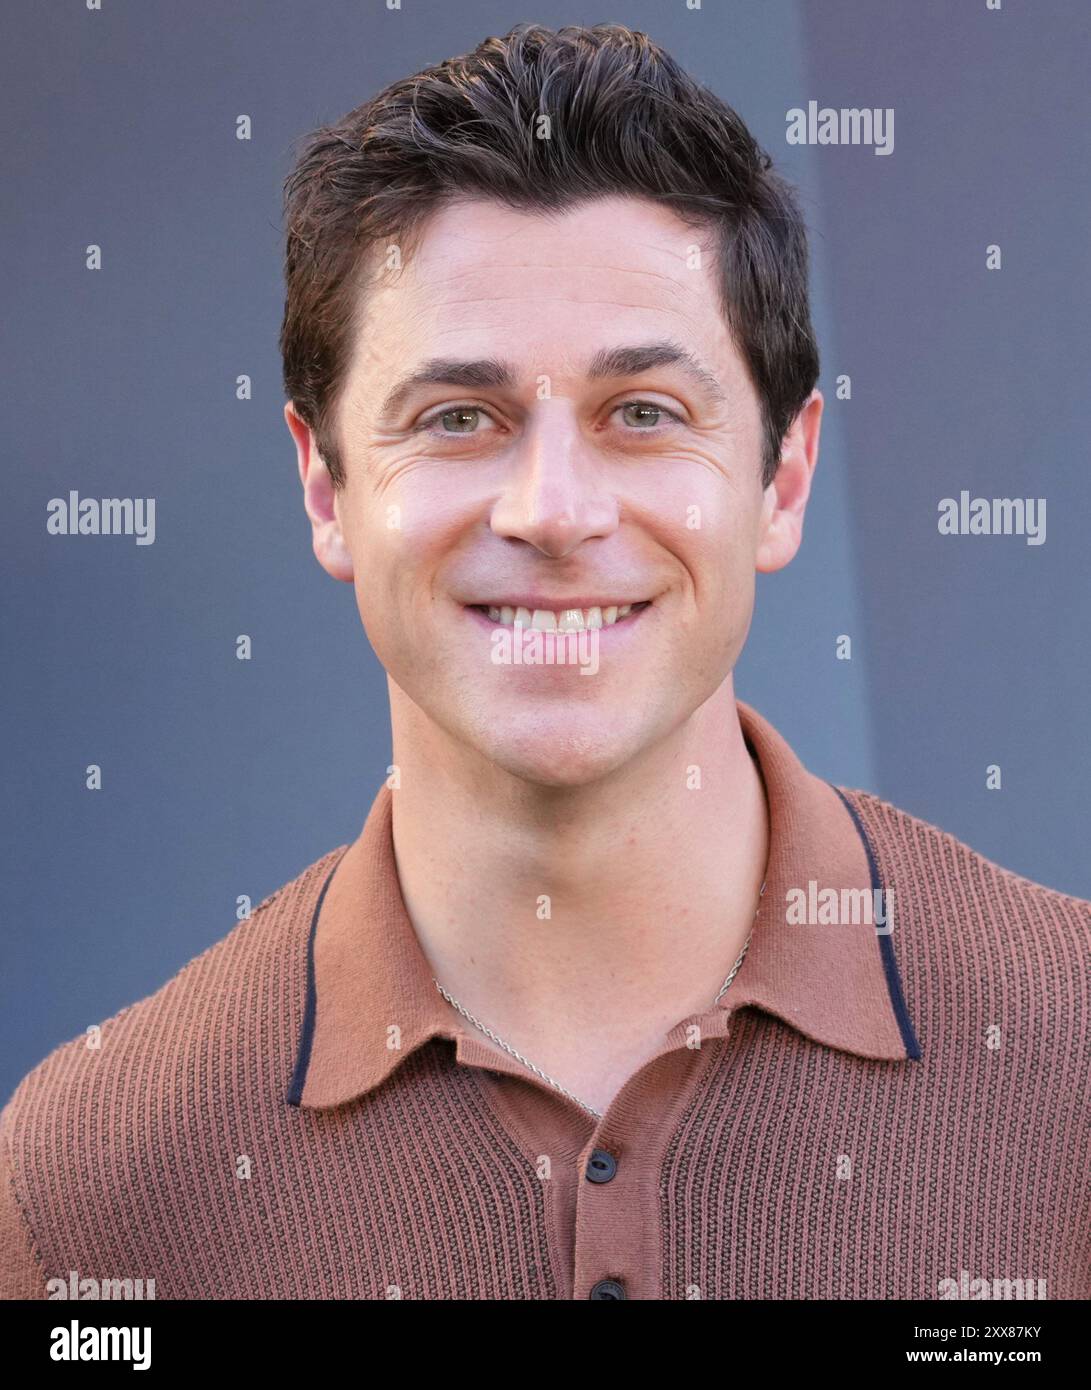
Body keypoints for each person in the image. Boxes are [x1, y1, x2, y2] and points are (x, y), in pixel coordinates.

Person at [2, 22, 1087, 1302]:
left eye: (643, 413)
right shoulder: (86, 1186)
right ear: (324, 483)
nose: (551, 510)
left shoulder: (1068, 1057)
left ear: (781, 476)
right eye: (459, 418)